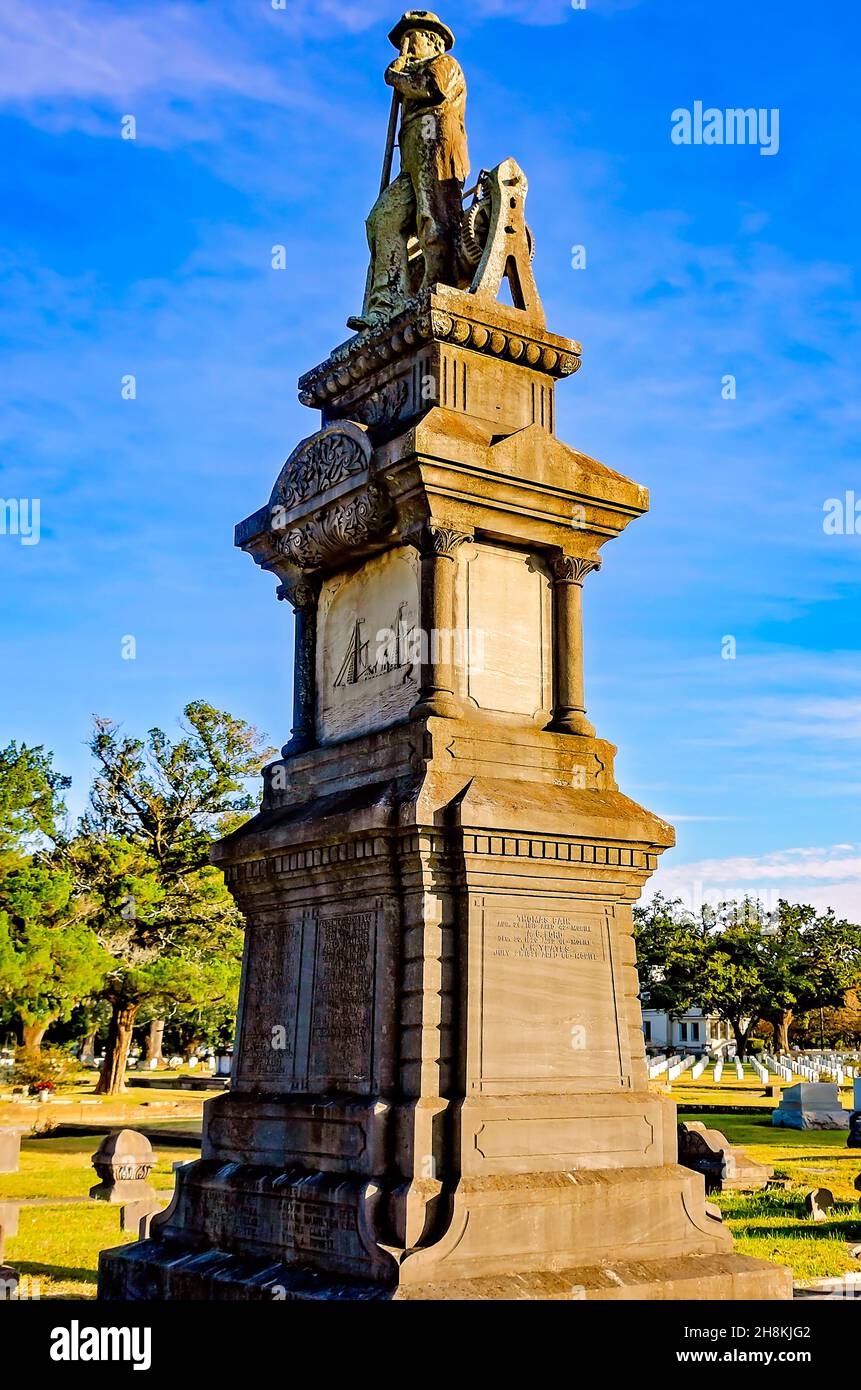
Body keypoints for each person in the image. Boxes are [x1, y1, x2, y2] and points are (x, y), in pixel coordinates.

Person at [348, 11, 469, 332]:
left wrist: (398, 77)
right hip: (412, 154)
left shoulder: (444, 64)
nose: (405, 47)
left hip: (438, 143)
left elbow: (431, 87)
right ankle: (389, 301)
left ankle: (441, 288)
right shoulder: (412, 68)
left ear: (433, 40)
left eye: (410, 38)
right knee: (383, 219)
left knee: (434, 219)